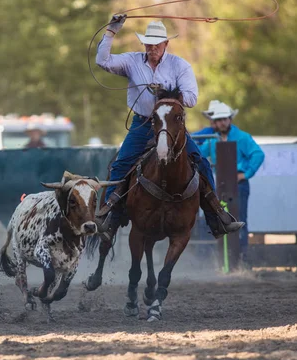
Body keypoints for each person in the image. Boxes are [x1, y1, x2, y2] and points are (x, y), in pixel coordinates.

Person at [94, 15, 244, 242]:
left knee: (200, 161)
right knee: (121, 163)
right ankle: (108, 213)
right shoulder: (132, 61)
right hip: (144, 122)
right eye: (149, 44)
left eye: (157, 44)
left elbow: (192, 98)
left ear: (165, 44)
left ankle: (216, 215)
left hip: (172, 125)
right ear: (144, 44)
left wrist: (165, 91)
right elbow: (102, 61)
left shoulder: (180, 65)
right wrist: (111, 31)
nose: (152, 48)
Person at [199, 100, 265, 261]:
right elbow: (199, 153)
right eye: (218, 120)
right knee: (214, 218)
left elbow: (258, 154)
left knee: (239, 218)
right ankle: (221, 258)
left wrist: (245, 174)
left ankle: (240, 257)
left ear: (230, 119)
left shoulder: (241, 137)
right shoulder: (212, 139)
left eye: (224, 119)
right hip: (220, 184)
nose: (221, 123)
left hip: (238, 184)